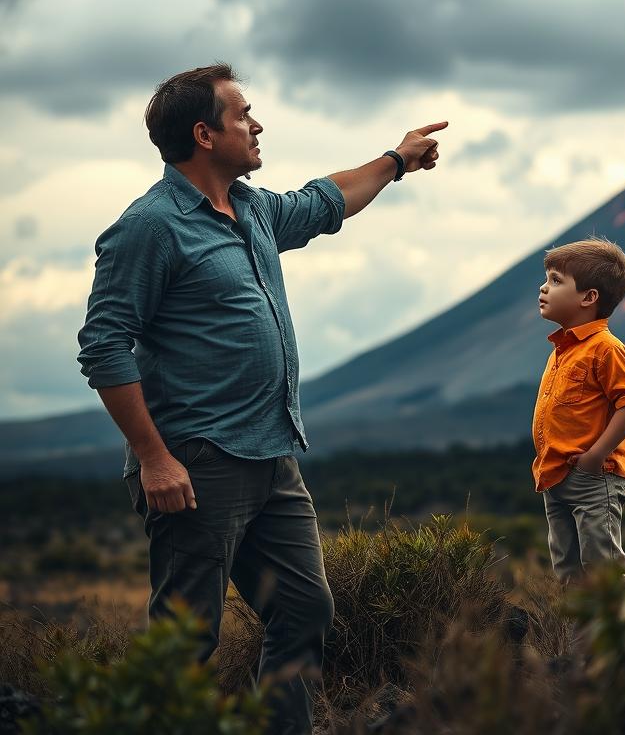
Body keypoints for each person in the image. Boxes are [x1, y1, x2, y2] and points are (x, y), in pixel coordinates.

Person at [77, 63, 446, 735]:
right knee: (185, 642)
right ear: (204, 133)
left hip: (273, 458)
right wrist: (154, 459)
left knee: (305, 610)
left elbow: (325, 198)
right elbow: (104, 345)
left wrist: (396, 160)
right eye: (243, 113)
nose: (258, 124)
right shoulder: (150, 227)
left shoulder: (253, 209)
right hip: (196, 463)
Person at [533, 238, 625, 588]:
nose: (544, 287)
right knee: (567, 571)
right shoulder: (562, 349)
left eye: (555, 280)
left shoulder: (606, 349)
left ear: (588, 297)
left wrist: (596, 456)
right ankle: (583, 643)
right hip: (555, 475)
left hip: (594, 478)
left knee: (603, 567)